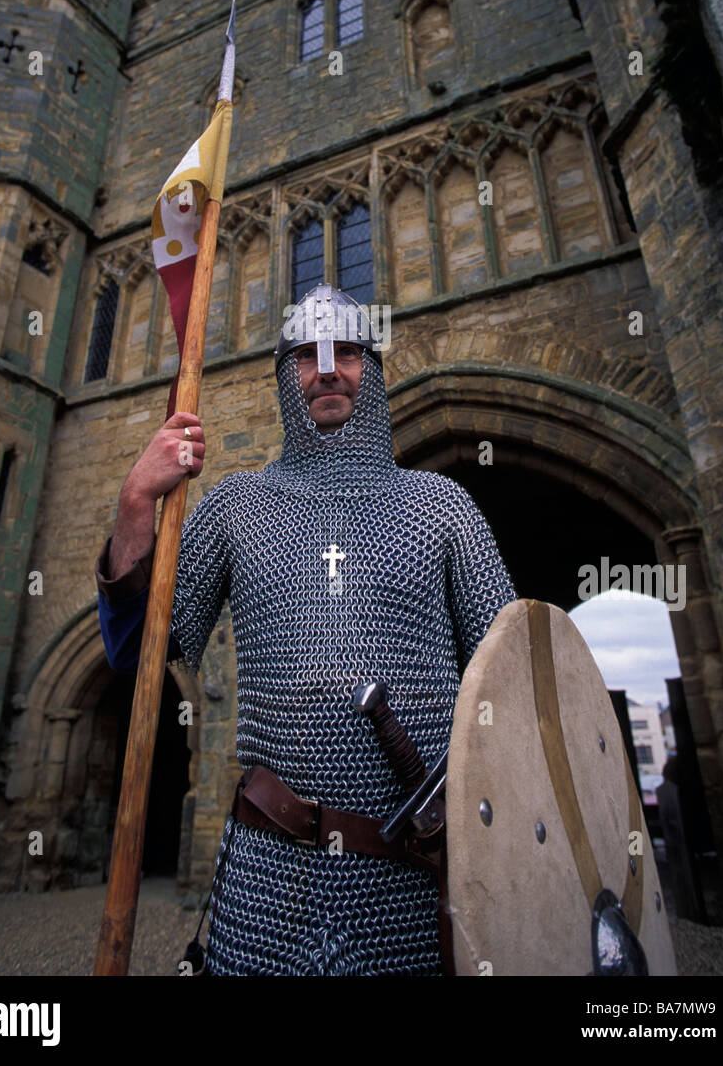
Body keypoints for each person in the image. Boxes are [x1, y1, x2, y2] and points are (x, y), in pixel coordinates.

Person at [96, 284, 515, 975]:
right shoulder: (236, 508)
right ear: (286, 378)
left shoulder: (441, 509)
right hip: (270, 873)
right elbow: (136, 656)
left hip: (412, 872)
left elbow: (510, 679)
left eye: (346, 353)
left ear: (371, 370)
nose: (327, 370)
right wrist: (136, 503)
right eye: (307, 357)